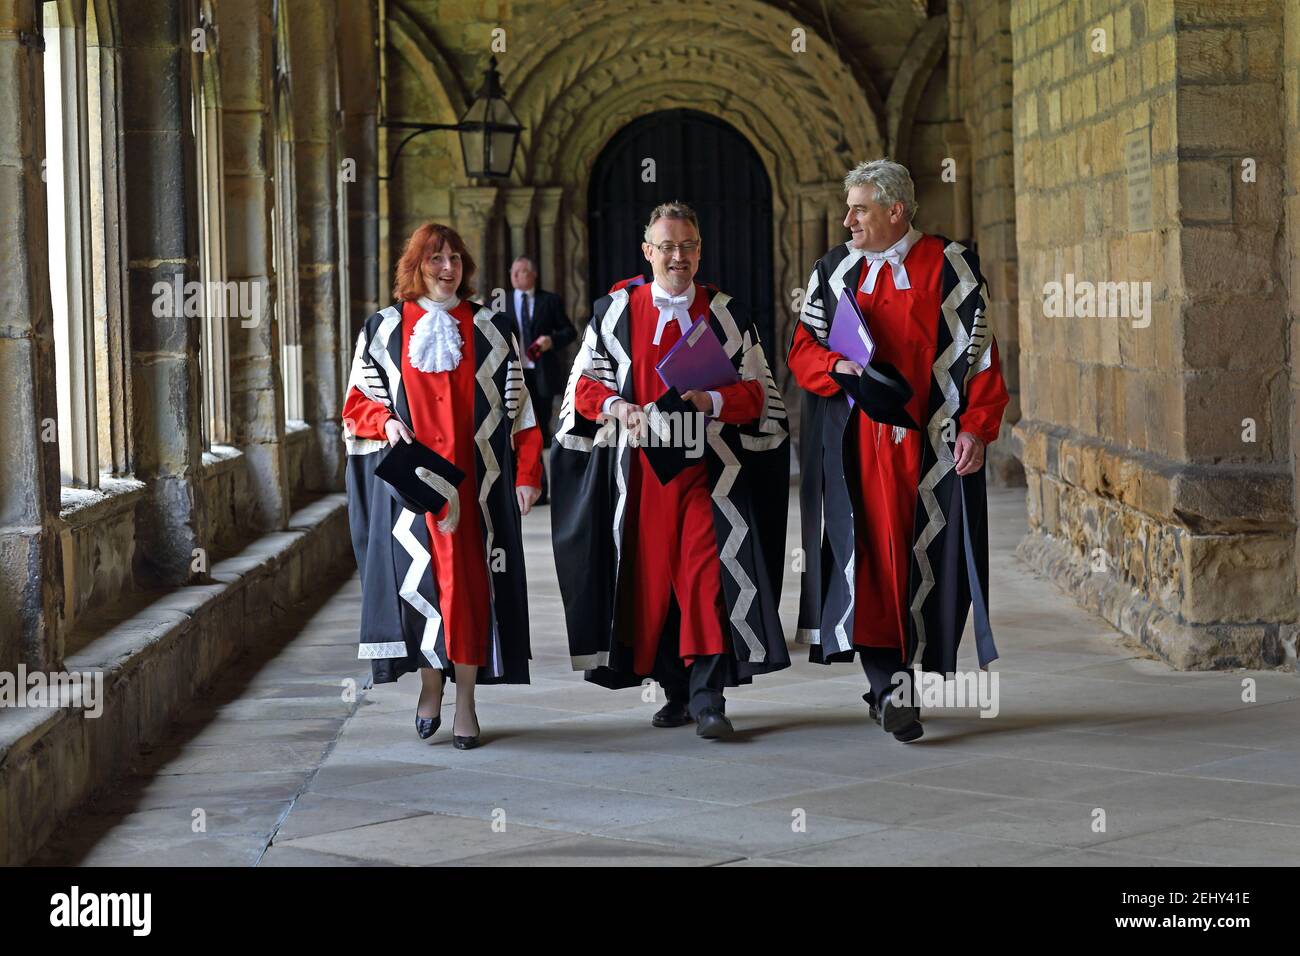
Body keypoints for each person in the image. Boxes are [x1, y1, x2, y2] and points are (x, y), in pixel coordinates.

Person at [788, 160, 1010, 743]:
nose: (847, 219)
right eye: (847, 207)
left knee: (922, 563)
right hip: (854, 445)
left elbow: (981, 357)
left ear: (896, 210)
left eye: (859, 208)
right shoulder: (833, 270)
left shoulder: (953, 265)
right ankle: (889, 686)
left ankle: (897, 681)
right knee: (864, 563)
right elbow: (802, 349)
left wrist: (977, 429)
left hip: (931, 447)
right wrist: (835, 363)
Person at [551, 201, 790, 739]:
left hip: (710, 475)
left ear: (699, 249)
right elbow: (583, 388)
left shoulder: (728, 313)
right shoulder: (614, 310)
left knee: (706, 579)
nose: (677, 256)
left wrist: (711, 399)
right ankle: (675, 691)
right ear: (647, 252)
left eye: (687, 245)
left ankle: (709, 699)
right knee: (649, 585)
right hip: (639, 478)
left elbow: (761, 399)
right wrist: (620, 407)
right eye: (666, 247)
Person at [342, 222, 543, 749]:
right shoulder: (382, 329)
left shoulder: (494, 329)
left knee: (471, 593)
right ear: (415, 267)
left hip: (478, 490)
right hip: (411, 494)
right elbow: (357, 402)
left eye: (455, 259)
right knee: (421, 590)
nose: (447, 268)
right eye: (436, 259)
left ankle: (467, 703)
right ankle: (430, 689)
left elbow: (521, 410)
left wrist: (527, 474)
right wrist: (387, 422)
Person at [503, 256, 577, 505]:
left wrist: (550, 341)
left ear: (533, 274)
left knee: (539, 428)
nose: (516, 276)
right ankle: (518, 483)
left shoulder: (550, 300)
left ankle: (539, 486)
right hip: (513, 375)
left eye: (522, 271)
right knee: (513, 430)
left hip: (541, 373)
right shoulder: (500, 301)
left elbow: (569, 331)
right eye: (514, 271)